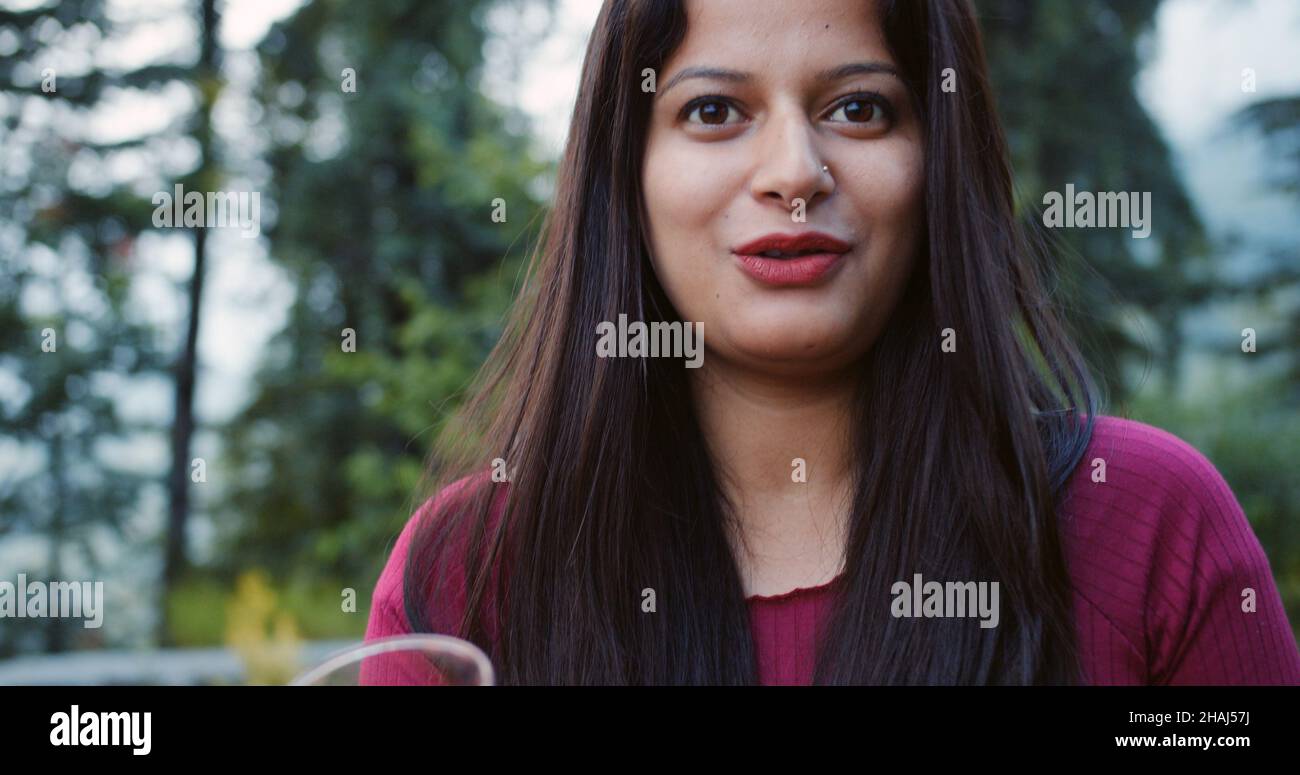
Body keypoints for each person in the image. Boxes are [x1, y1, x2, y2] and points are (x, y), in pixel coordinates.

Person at [362, 0, 1300, 685]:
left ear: (939, 159)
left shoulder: (1148, 529)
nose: (794, 174)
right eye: (714, 111)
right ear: (626, 175)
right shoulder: (468, 573)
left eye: (858, 107)